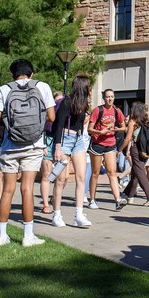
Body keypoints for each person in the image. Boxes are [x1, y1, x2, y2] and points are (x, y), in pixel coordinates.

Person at [0, 58, 54, 247]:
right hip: (33, 145)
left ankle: (1, 235)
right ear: (31, 73)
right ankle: (28, 236)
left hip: (10, 146)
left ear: (13, 74)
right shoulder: (42, 86)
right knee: (27, 189)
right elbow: (51, 116)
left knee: (8, 189)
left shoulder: (4, 89)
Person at [49, 74, 93, 228]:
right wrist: (58, 147)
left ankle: (78, 214)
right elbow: (59, 125)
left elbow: (80, 124)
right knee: (62, 179)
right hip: (65, 139)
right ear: (82, 87)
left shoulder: (84, 103)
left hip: (79, 140)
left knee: (81, 177)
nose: (90, 89)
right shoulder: (66, 102)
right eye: (88, 86)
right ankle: (57, 214)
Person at [87, 89, 126, 210]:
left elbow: (124, 127)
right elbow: (90, 129)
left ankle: (118, 200)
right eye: (108, 97)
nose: (110, 99)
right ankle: (92, 199)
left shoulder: (116, 111)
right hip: (97, 144)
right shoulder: (98, 110)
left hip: (110, 144)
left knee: (112, 172)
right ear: (104, 98)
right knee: (95, 173)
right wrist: (100, 132)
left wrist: (115, 129)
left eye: (112, 96)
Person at [119, 101, 149, 208]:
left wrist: (119, 150)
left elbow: (127, 139)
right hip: (145, 150)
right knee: (135, 174)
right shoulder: (146, 120)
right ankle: (126, 195)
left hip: (136, 148)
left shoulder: (133, 121)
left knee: (139, 172)